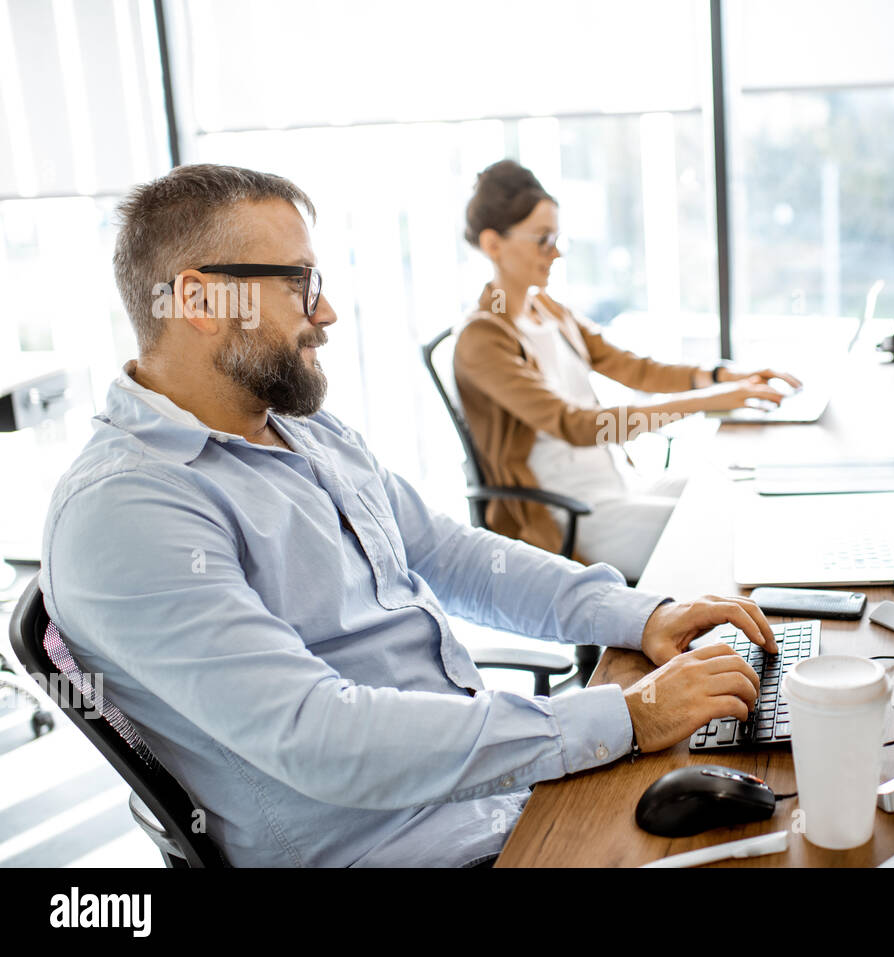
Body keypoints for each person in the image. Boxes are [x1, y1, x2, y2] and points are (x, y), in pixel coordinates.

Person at [40, 163, 779, 867]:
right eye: (299, 282)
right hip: (405, 848)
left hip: (488, 801)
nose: (324, 311)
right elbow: (318, 736)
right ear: (199, 301)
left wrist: (640, 615)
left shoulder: (300, 428)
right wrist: (626, 716)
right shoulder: (128, 509)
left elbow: (451, 555)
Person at [454, 160, 800, 580]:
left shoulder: (547, 309)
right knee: (724, 531)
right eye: (543, 239)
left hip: (620, 485)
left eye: (558, 238)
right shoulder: (482, 339)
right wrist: (705, 402)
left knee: (739, 493)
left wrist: (720, 377)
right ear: (493, 244)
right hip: (570, 512)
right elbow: (576, 426)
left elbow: (634, 369)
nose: (557, 251)